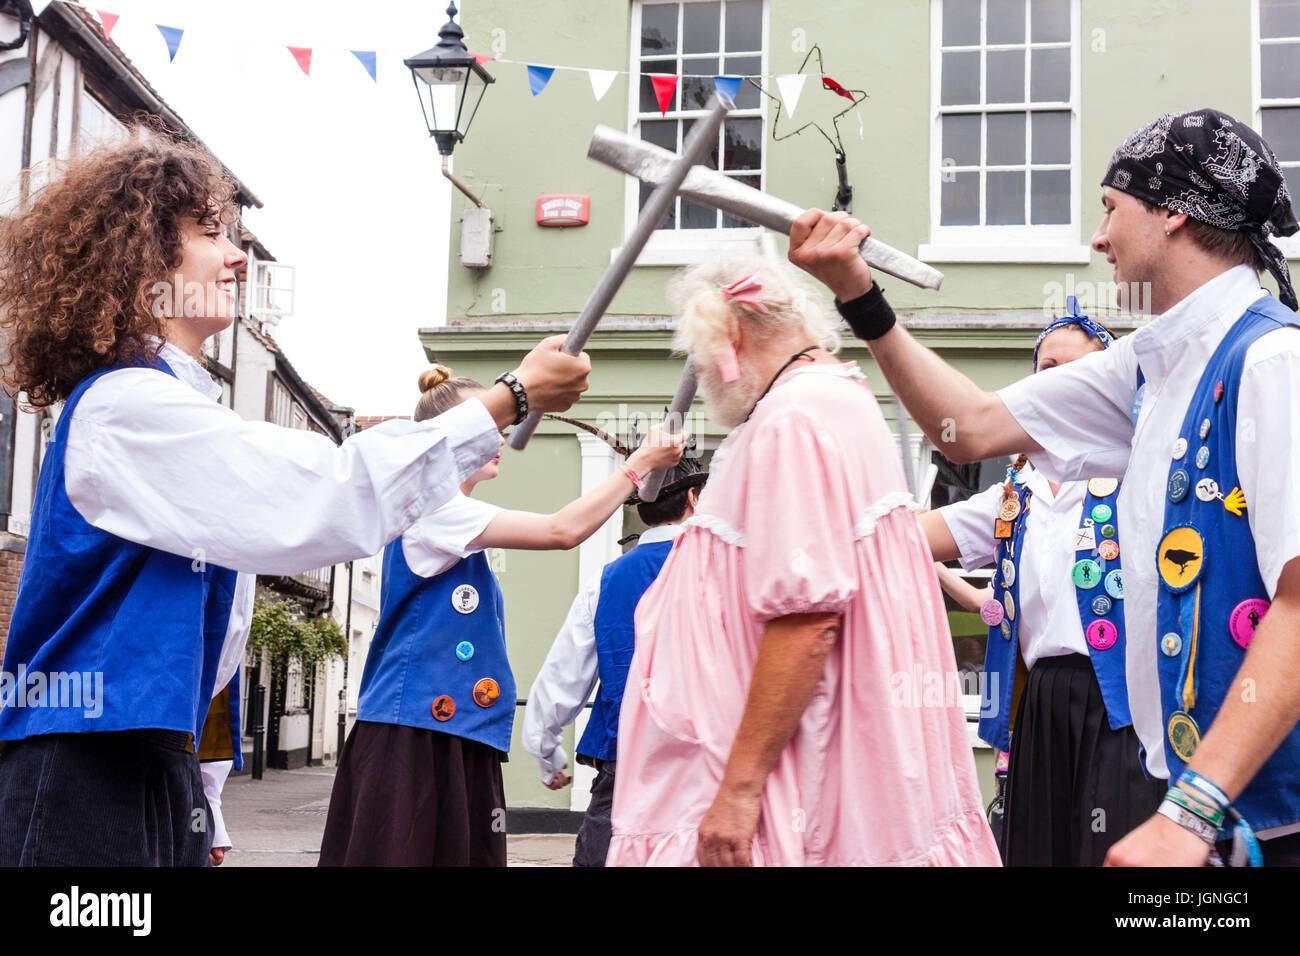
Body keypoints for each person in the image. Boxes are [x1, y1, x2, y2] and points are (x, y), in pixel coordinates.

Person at [0, 127, 590, 866]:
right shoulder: (125, 409)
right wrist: (512, 395)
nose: (238, 257)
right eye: (211, 233)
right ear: (143, 259)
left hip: (142, 762)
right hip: (80, 768)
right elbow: (324, 494)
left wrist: (204, 795)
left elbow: (218, 643)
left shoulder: (170, 410)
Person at [789, 107, 1300, 867]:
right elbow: (968, 427)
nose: (1098, 239)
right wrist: (858, 294)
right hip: (1204, 811)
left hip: (1264, 827)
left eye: (1110, 208)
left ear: (1173, 214)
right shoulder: (1148, 371)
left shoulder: (1269, 361)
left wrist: (1188, 815)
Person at [606, 260, 1001, 867]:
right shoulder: (839, 401)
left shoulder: (792, 420)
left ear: (728, 340)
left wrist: (737, 793)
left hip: (765, 793)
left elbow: (807, 620)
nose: (708, 380)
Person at [318, 366, 685, 867]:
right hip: (415, 734)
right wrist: (639, 463)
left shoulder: (453, 518)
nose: (499, 438)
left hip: (452, 731)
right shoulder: (433, 511)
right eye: (487, 425)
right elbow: (563, 530)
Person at [921, 301, 1164, 866]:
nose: (1054, 382)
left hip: (1122, 697)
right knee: (1035, 852)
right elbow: (911, 536)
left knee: (1112, 849)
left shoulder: (1138, 470)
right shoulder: (1016, 493)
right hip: (1042, 698)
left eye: (1074, 370)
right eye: (1044, 369)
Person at [522, 451, 707, 867]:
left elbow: (563, 676)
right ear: (693, 498)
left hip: (624, 765)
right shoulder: (728, 569)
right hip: (706, 768)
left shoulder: (606, 580)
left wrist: (546, 750)